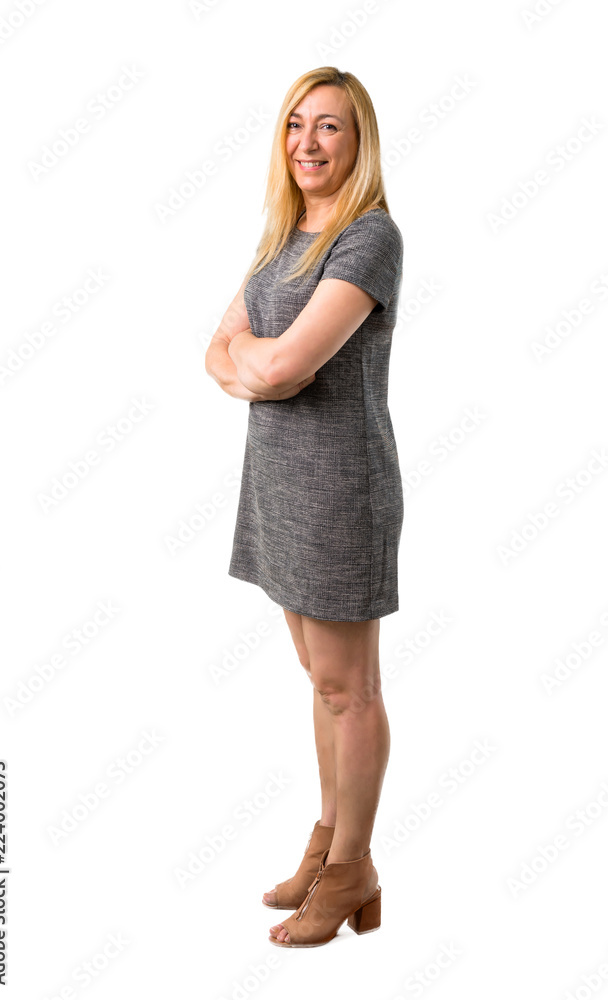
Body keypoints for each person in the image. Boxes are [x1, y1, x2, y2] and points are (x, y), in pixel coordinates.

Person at [205, 66, 404, 948]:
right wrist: (258, 360)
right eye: (295, 125)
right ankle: (327, 843)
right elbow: (217, 351)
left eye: (329, 127)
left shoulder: (367, 238)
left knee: (347, 687)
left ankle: (354, 866)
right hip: (278, 484)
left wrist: (259, 362)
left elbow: (279, 367)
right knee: (319, 682)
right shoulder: (285, 237)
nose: (308, 144)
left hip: (337, 490)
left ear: (356, 143)